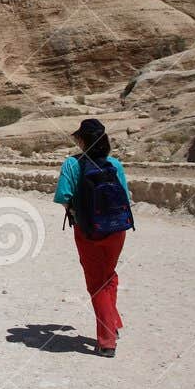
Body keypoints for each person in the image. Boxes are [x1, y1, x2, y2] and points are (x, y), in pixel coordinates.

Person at [53, 118, 134, 358]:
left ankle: (107, 341)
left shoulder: (72, 164)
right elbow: (125, 197)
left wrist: (80, 213)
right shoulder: (114, 164)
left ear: (83, 140)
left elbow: (63, 197)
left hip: (88, 231)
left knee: (95, 283)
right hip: (117, 230)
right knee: (109, 275)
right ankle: (114, 322)